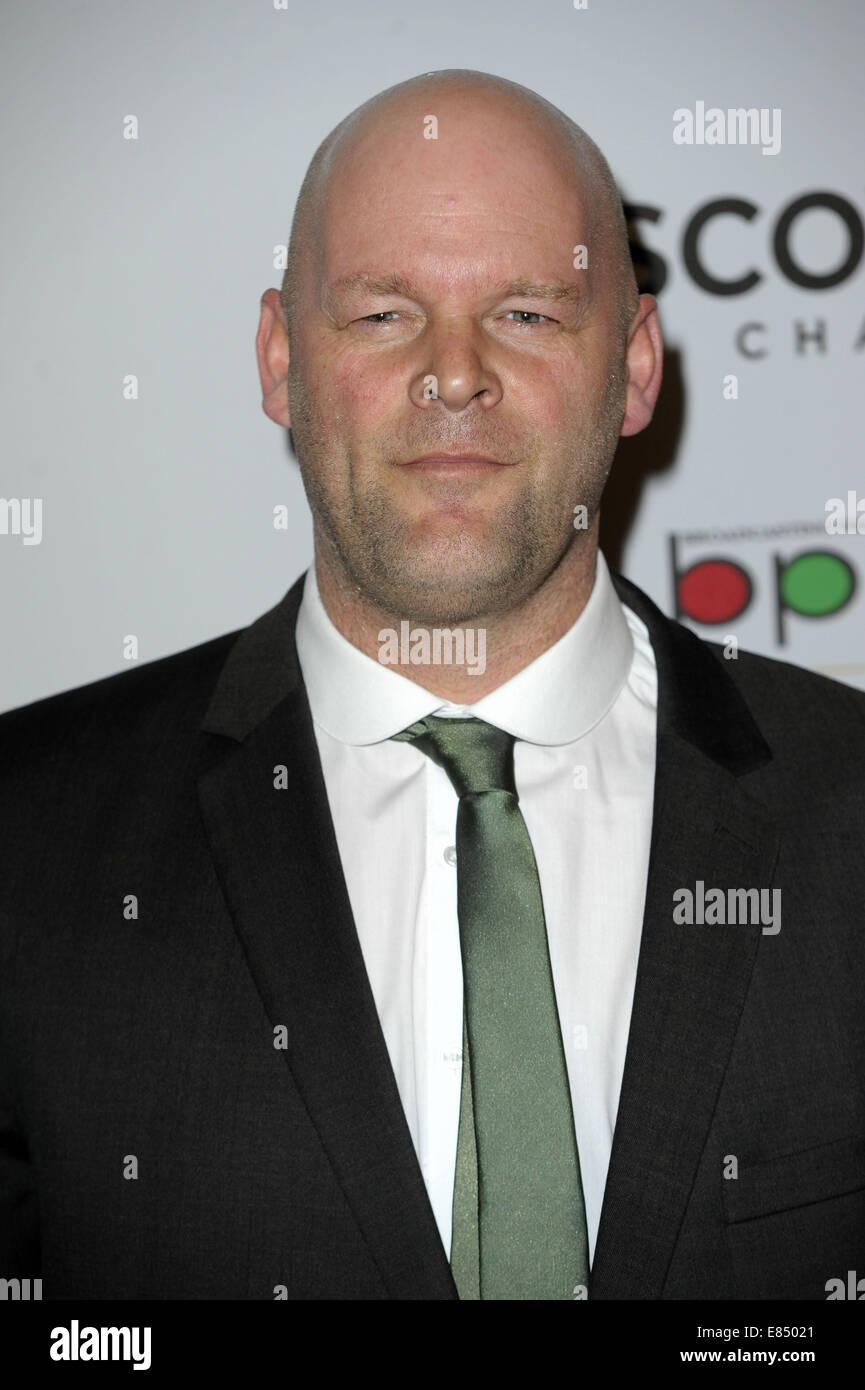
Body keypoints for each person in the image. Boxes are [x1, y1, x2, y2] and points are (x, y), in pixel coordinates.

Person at [1, 69, 863, 1302]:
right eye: (381, 315)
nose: (452, 374)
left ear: (632, 368)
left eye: (523, 312)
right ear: (280, 360)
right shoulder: (27, 840)